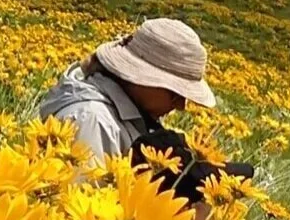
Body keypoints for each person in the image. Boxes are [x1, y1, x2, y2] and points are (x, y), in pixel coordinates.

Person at [36, 19, 218, 165]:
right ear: (143, 77)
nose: (180, 105)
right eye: (175, 93)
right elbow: (81, 202)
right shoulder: (93, 121)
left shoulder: (124, 113)